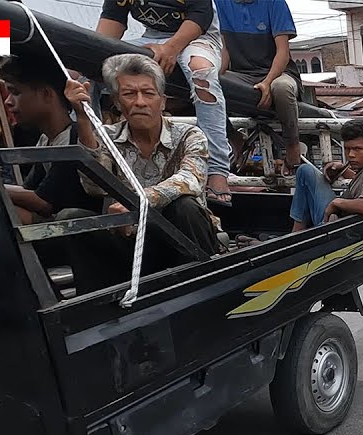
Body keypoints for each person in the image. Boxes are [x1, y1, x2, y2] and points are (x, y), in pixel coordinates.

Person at [64, 54, 220, 291]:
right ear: (117, 102)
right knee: (70, 217)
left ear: (162, 101)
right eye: (129, 94)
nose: (140, 102)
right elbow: (93, 186)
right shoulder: (107, 136)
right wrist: (83, 119)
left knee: (184, 206)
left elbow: (189, 180)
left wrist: (137, 201)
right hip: (130, 240)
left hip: (180, 241)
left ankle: (204, 290)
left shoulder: (190, 135)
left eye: (148, 93)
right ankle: (97, 308)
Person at [97, 0, 233, 207]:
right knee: (87, 68)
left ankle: (217, 169)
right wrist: (91, 54)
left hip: (199, 37)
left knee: (201, 73)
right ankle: (89, 147)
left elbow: (201, 14)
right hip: (151, 35)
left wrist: (170, 48)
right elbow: (112, 21)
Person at [0, 54, 97, 225]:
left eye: (16, 92)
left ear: (47, 95)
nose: (8, 101)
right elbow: (30, 189)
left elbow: (44, 203)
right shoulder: (46, 139)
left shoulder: (74, 138)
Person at [215, 0, 302, 170]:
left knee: (282, 89)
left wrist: (268, 81)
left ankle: (292, 145)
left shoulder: (274, 3)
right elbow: (223, 51)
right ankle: (234, 137)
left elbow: (282, 53)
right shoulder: (220, 4)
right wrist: (215, 75)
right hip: (242, 75)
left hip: (280, 73)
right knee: (205, 82)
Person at [289, 120, 363, 231]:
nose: (351, 154)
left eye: (357, 149)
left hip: (335, 227)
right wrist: (343, 170)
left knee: (305, 171)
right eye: (347, 149)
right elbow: (362, 182)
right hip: (343, 223)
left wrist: (337, 203)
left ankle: (295, 235)